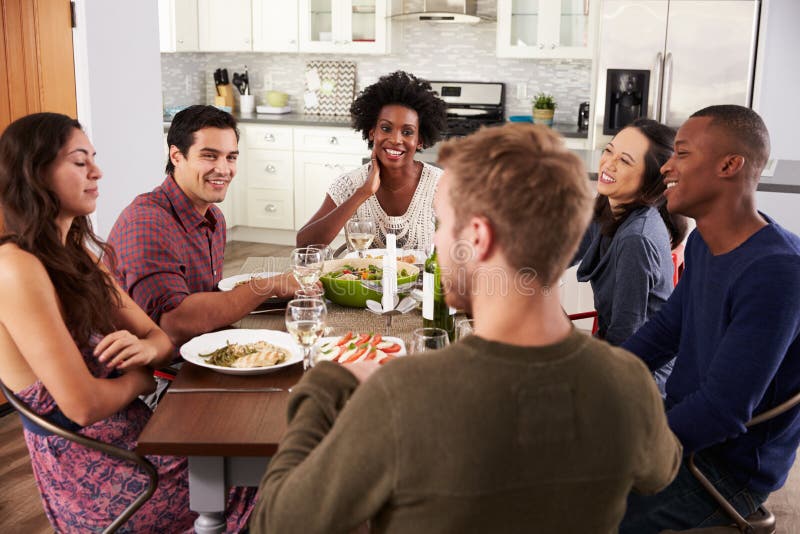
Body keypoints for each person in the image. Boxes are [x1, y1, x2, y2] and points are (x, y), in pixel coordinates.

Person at [249, 123, 681, 533]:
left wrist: (330, 380)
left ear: (476, 237)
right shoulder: (630, 385)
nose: (436, 243)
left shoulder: (401, 397)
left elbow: (276, 523)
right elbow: (661, 470)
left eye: (442, 225)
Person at [0, 113, 253, 532]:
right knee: (280, 474)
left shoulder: (78, 257)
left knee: (284, 456)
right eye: (79, 162)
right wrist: (139, 379)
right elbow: (81, 406)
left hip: (142, 436)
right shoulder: (15, 268)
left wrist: (148, 356)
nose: (97, 171)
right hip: (107, 475)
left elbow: (157, 336)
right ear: (35, 171)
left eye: (93, 159)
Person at [619, 105, 800, 532]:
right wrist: (598, 376)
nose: (666, 167)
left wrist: (624, 445)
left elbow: (722, 411)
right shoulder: (705, 242)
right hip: (683, 431)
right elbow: (665, 332)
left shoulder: (777, 271)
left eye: (682, 153)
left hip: (721, 471)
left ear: (729, 165)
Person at [107, 105, 298, 348]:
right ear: (176, 156)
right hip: (153, 376)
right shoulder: (146, 224)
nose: (223, 169)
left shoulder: (214, 218)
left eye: (231, 157)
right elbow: (175, 323)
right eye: (209, 155)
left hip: (200, 350)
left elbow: (206, 306)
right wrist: (267, 285)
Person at [296, 70, 447, 252]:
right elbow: (304, 245)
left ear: (420, 140)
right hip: (360, 281)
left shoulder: (440, 184)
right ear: (372, 132)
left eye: (407, 132)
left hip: (423, 281)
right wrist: (363, 192)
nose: (396, 139)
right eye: (386, 128)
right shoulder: (349, 184)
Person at [573, 118, 687, 346]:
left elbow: (625, 337)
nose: (608, 164)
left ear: (651, 178)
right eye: (609, 151)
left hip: (640, 368)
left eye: (624, 161)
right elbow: (560, 254)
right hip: (612, 348)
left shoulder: (637, 238)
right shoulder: (609, 206)